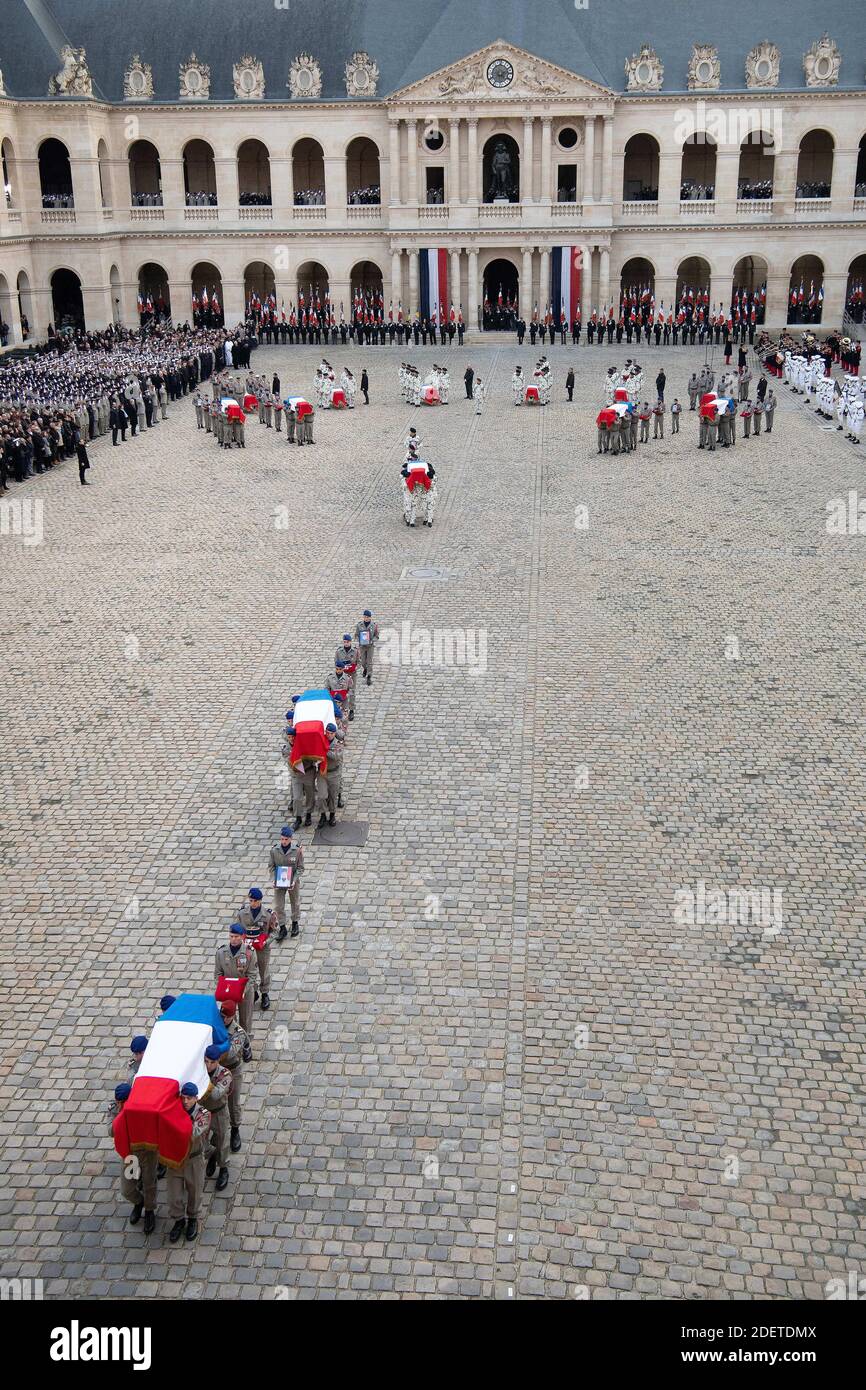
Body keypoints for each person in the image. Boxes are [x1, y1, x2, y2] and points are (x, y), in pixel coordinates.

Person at [166, 1082, 210, 1244]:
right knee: (174, 1195)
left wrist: (173, 1122)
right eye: (183, 1098)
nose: (185, 1101)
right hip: (175, 1158)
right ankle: (178, 1220)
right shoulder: (173, 1109)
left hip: (194, 1159)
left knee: (195, 1192)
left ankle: (192, 1218)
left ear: (196, 1098)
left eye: (189, 1098)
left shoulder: (203, 1114)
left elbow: (193, 1133)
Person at [214, 922, 258, 1036]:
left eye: (236, 937)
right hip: (228, 992)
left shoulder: (249, 953)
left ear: (242, 937)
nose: (233, 939)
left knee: (246, 1019)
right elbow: (218, 973)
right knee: (229, 1018)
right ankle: (234, 1038)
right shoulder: (221, 952)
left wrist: (242, 991)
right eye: (231, 936)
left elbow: (252, 975)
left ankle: (246, 1042)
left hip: (245, 992)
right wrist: (222, 988)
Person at [237, 887, 277, 1012]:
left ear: (260, 901)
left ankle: (265, 993)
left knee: (263, 971)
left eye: (254, 901)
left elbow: (275, 932)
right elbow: (238, 929)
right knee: (248, 971)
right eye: (250, 900)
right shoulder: (242, 913)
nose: (252, 903)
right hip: (247, 948)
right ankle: (253, 991)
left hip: (262, 949)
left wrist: (265, 942)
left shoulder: (268, 914)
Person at [201, 1045, 232, 1192]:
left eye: (212, 1062)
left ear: (218, 1060)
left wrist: (203, 1081)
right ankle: (211, 1154)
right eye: (206, 1061)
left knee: (223, 1141)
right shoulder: (199, 1071)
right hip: (203, 1112)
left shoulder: (225, 1074)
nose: (208, 1065)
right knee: (201, 1143)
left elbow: (216, 1095)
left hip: (219, 1112)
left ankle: (223, 1168)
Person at [268, 824, 303, 940]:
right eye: (282, 839)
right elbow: (271, 866)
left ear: (290, 839)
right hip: (279, 881)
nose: (283, 841)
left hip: (292, 881)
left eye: (286, 839)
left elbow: (300, 868)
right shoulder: (274, 850)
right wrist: (273, 879)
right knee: (278, 905)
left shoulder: (297, 851)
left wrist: (294, 880)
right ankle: (282, 927)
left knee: (295, 902)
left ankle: (295, 923)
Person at [355, 609, 379, 686]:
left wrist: (372, 640)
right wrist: (359, 640)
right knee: (363, 661)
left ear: (370, 617)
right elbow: (356, 635)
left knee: (369, 661)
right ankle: (365, 668)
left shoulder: (374, 625)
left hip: (370, 646)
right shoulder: (359, 625)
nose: (366, 618)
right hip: (362, 646)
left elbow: (377, 636)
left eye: (368, 617)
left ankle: (369, 676)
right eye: (365, 616)